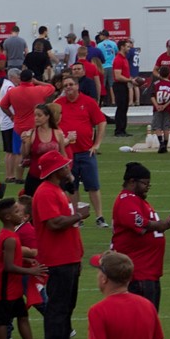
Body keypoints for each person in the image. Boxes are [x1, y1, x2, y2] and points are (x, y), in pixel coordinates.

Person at [31, 151, 86, 339]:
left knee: (67, 304)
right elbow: (53, 223)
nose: (68, 167)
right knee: (58, 305)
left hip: (68, 256)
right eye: (64, 166)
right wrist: (79, 215)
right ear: (55, 170)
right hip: (57, 258)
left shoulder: (56, 190)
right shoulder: (46, 192)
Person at [110, 162, 170, 310]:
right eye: (145, 183)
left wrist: (163, 225)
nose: (147, 187)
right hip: (139, 274)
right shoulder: (126, 199)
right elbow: (137, 221)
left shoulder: (137, 200)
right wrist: (160, 225)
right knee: (141, 322)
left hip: (147, 272)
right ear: (132, 181)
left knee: (149, 321)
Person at [55, 73, 109, 227]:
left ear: (77, 86)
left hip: (86, 151)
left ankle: (99, 216)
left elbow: (101, 122)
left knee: (93, 185)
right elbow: (52, 123)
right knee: (72, 186)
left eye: (71, 84)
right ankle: (76, 217)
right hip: (67, 153)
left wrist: (97, 143)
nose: (68, 88)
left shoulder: (88, 102)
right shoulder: (58, 104)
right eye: (65, 86)